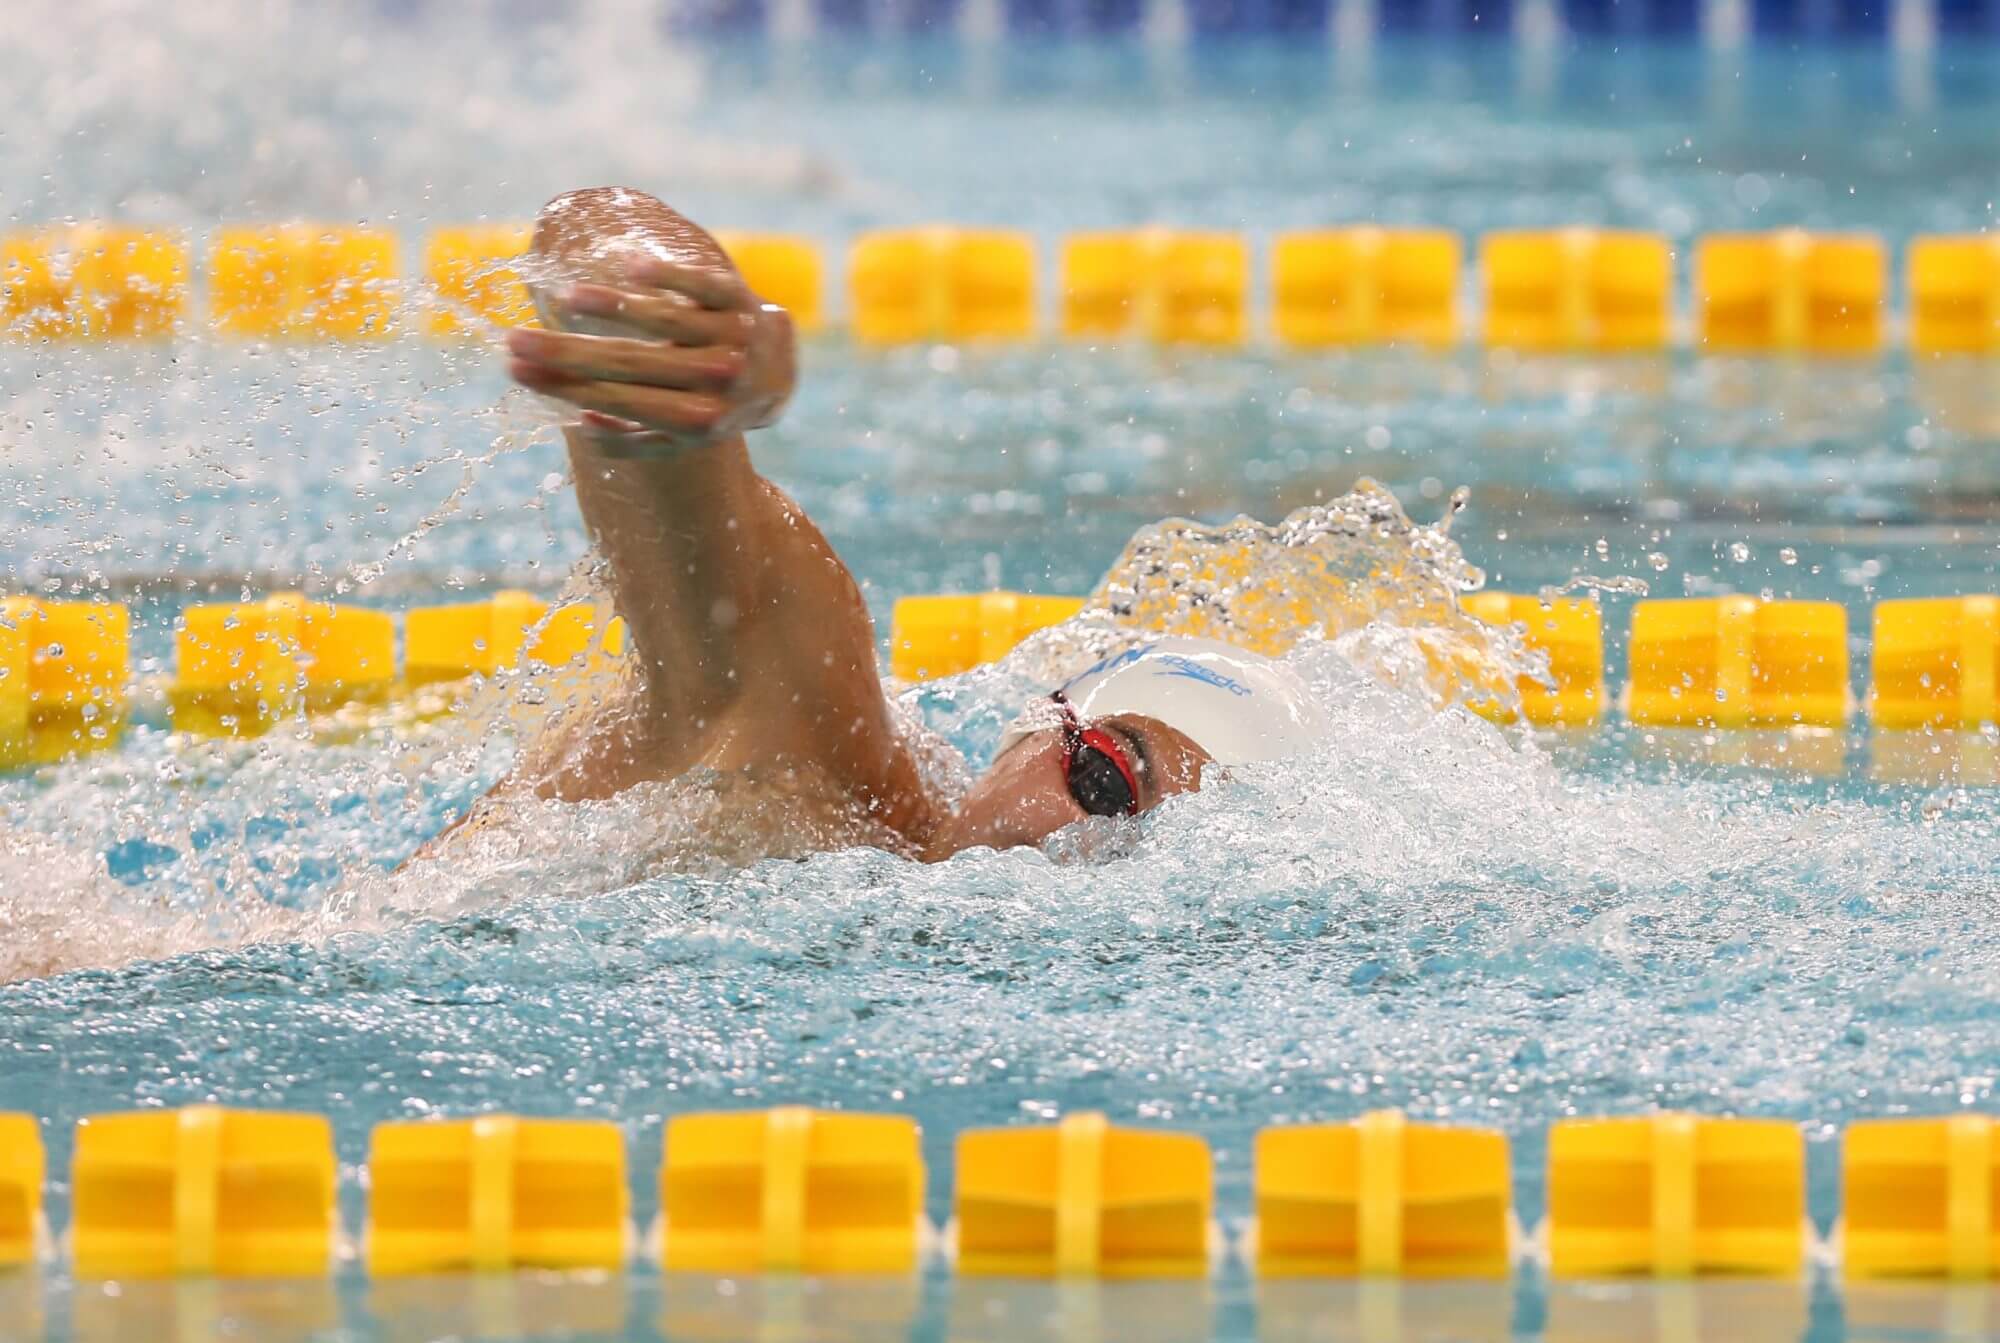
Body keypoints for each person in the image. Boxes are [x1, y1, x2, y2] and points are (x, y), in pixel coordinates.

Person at [484, 187, 1327, 863]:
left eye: (1155, 860)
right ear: (1031, 730)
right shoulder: (817, 760)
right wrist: (674, 322)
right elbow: (586, 227)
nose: (1083, 847)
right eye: (1105, 782)